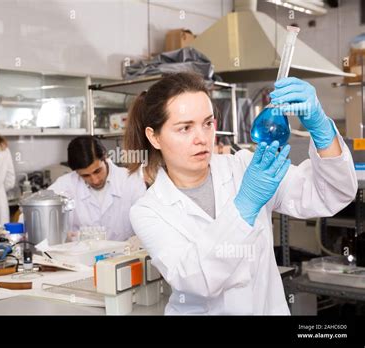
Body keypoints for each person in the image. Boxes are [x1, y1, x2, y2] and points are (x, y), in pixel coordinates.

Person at [125, 73, 358, 315]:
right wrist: (245, 204)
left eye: (207, 123)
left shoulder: (245, 167)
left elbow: (332, 193)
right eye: (185, 128)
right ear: (154, 137)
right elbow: (196, 280)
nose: (201, 138)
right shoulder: (148, 210)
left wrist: (320, 127)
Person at [48, 135, 146, 241]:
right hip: (82, 255)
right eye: (85, 176)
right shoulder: (65, 185)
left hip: (125, 255)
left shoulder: (131, 181)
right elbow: (43, 211)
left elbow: (146, 224)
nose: (95, 180)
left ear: (105, 157)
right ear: (76, 172)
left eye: (97, 171)